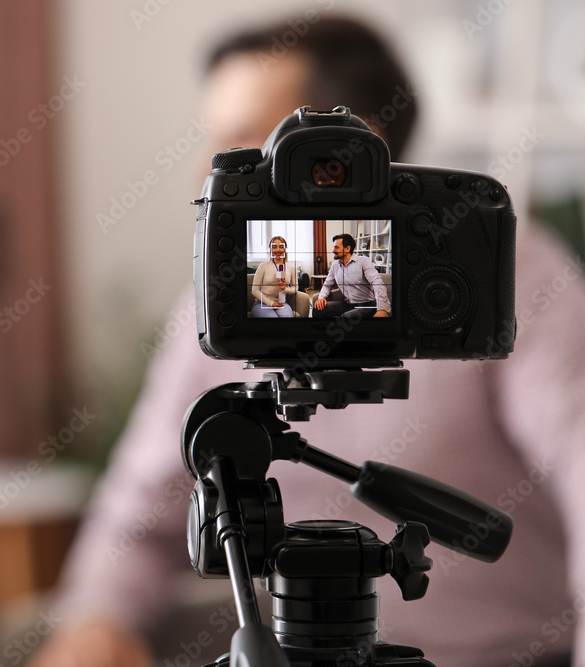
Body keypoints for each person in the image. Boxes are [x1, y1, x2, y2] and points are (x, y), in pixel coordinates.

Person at [29, 16, 585, 667]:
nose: (203, 176)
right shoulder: (223, 303)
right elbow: (142, 504)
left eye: (241, 141)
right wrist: (97, 623)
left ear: (344, 152)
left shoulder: (507, 276)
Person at [313, 233, 390, 318]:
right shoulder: (334, 266)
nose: (333, 251)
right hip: (347, 304)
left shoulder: (363, 261)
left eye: (336, 247)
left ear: (347, 249)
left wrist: (382, 308)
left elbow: (377, 283)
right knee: (317, 309)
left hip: (366, 305)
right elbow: (327, 285)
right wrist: (321, 297)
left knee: (346, 317)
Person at [250, 235, 296, 318]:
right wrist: (271, 303)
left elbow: (295, 289)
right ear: (270, 250)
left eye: (281, 247)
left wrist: (285, 289)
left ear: (285, 249)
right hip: (262, 303)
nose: (278, 250)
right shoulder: (263, 266)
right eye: (274, 247)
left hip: (282, 302)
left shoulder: (291, 267)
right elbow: (254, 290)